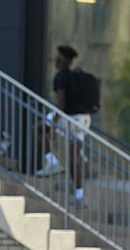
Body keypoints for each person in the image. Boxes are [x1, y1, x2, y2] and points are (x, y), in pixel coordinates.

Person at [35, 46, 93, 207]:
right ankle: (79, 195)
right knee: (74, 158)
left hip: (70, 117)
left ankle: (52, 162)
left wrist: (53, 125)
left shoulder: (61, 77)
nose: (56, 60)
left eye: (58, 57)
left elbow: (61, 103)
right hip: (83, 119)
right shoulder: (75, 76)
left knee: (40, 128)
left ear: (63, 60)